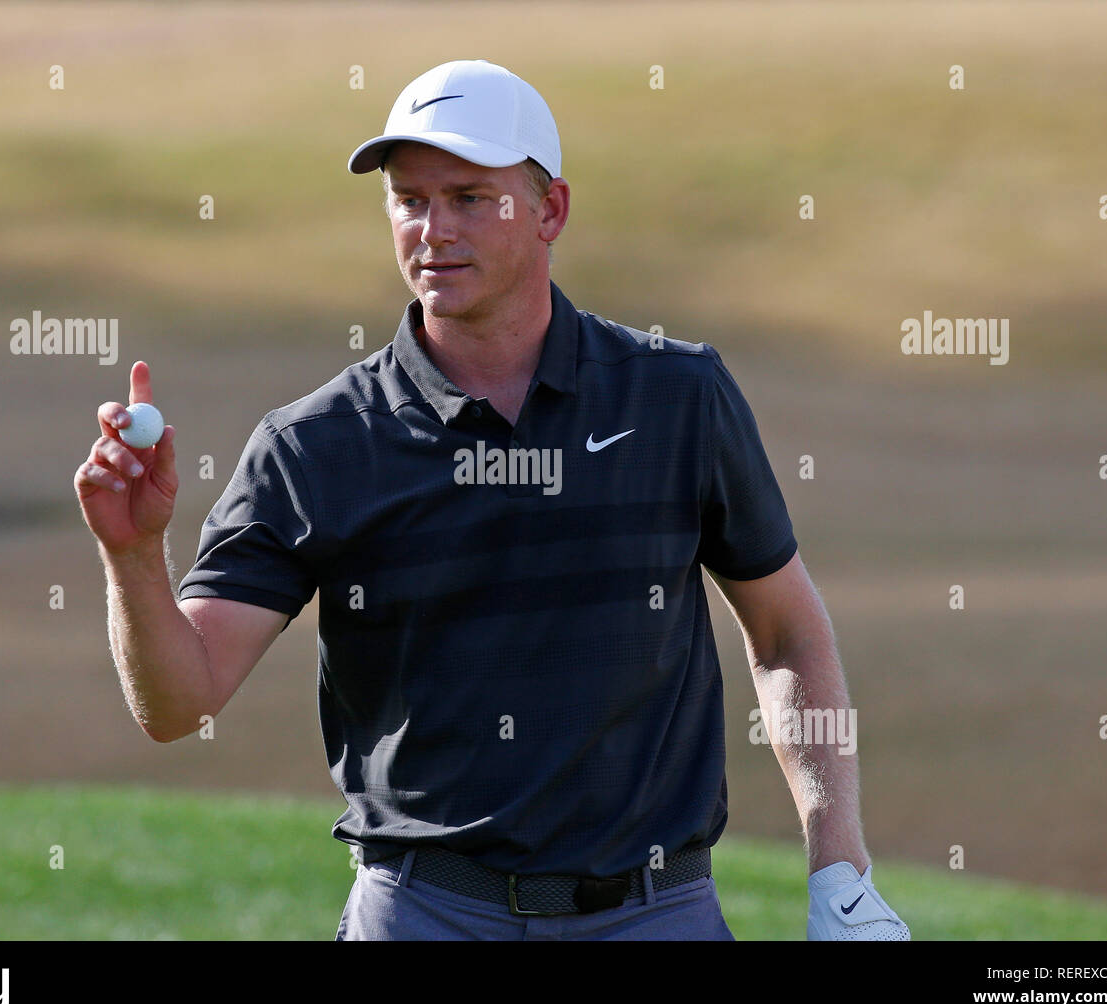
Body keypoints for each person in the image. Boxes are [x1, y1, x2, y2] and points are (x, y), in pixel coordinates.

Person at [74, 59, 909, 941]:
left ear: (549, 211)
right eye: (409, 199)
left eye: (471, 197)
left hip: (656, 914)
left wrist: (838, 868)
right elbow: (177, 704)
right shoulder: (316, 444)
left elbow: (787, 631)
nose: (433, 228)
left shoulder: (676, 397)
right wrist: (132, 558)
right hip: (427, 914)